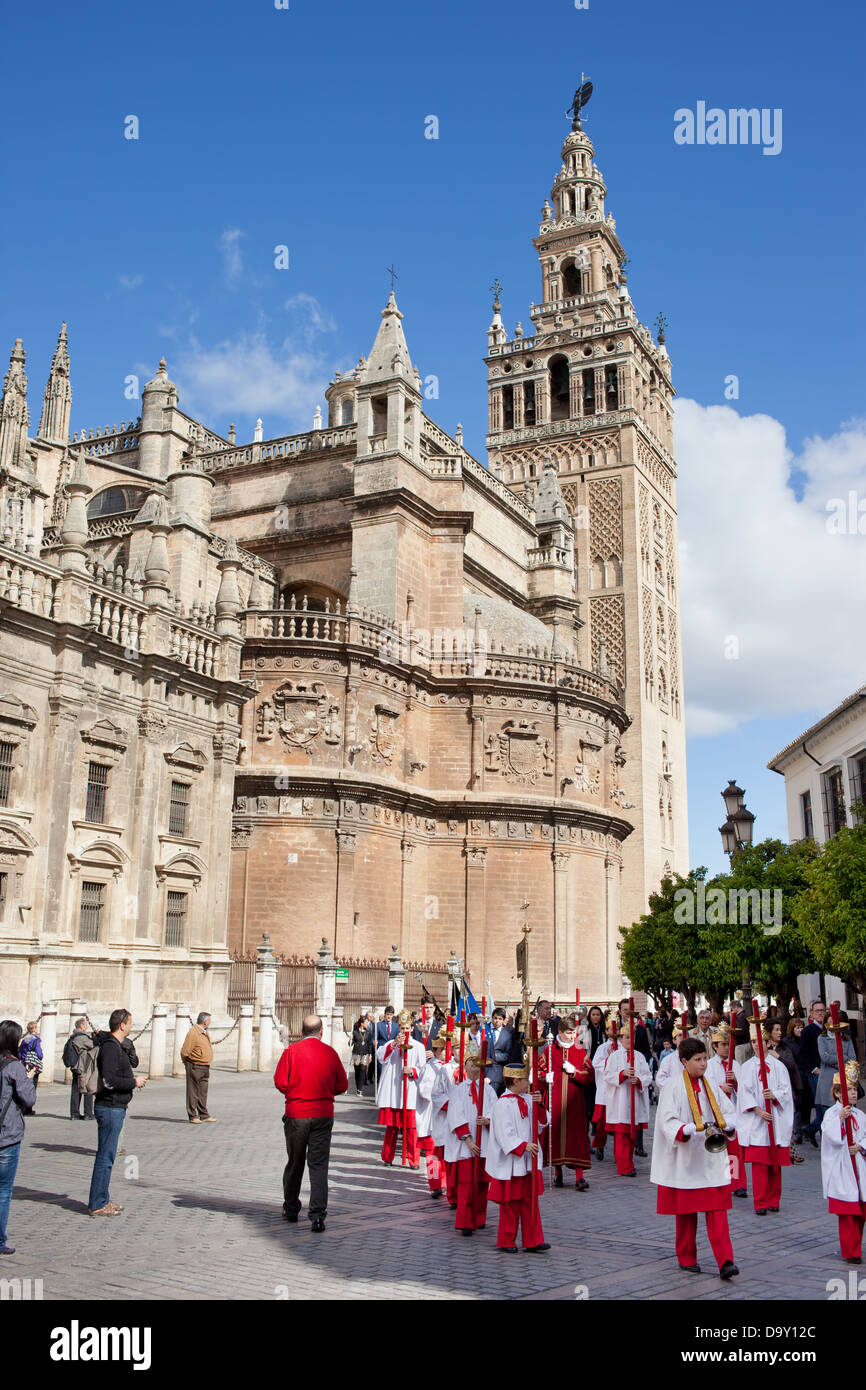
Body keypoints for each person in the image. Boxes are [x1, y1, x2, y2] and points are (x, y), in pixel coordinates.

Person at [650, 1037, 739, 1280]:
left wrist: (729, 1124)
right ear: (684, 1062)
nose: (703, 1065)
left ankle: (726, 1260)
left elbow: (729, 1111)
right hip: (687, 1159)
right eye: (697, 1060)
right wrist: (685, 1129)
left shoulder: (711, 1085)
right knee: (686, 1213)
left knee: (718, 1211)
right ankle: (687, 1256)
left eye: (704, 1059)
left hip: (711, 1159)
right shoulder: (673, 1087)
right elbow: (666, 1119)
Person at [273, 1013, 348, 1233]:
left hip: (297, 1113)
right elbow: (342, 1085)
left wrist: (295, 1092)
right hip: (323, 1114)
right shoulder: (330, 1053)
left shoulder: (291, 1052)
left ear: (302, 1031)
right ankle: (317, 1216)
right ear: (321, 1032)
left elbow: (280, 1081)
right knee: (318, 1165)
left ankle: (291, 1207)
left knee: (295, 1162)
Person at [485, 1061, 550, 1253]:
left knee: (531, 1202)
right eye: (525, 1080)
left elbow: (542, 1124)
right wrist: (522, 1146)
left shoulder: (529, 1099)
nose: (528, 1083)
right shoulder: (502, 1104)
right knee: (510, 1203)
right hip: (513, 1160)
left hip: (529, 1160)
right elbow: (504, 1133)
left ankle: (533, 1240)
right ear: (515, 1080)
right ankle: (506, 1240)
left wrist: (539, 1106)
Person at [88, 1009, 147, 1217]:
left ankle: (102, 1198)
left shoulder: (117, 1046)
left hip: (116, 1107)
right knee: (105, 1156)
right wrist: (134, 1082)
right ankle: (97, 1202)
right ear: (122, 1025)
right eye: (129, 1023)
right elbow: (109, 1080)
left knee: (109, 1156)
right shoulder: (111, 1048)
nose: (131, 1027)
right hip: (109, 1107)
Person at [738, 1015, 793, 1215]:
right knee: (760, 1165)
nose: (755, 1045)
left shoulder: (778, 1067)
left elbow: (786, 1091)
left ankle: (773, 1199)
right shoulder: (747, 1067)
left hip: (775, 1120)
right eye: (752, 1041)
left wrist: (775, 1095)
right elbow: (744, 1093)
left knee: (775, 1164)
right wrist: (759, 1110)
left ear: (768, 1042)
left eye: (759, 1041)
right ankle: (760, 1201)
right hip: (758, 1121)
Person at [538, 1013, 591, 1190]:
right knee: (556, 1136)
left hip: (575, 1102)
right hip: (555, 1100)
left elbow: (590, 1076)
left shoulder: (580, 1051)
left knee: (576, 1137)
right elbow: (539, 1072)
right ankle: (558, 1173)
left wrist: (574, 1071)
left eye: (574, 1032)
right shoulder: (550, 1050)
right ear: (560, 1032)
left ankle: (579, 1177)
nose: (572, 1036)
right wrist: (546, 1077)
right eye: (568, 1032)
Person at [820, 1060, 866, 1264]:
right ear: (838, 1093)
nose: (853, 1093)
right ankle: (851, 1251)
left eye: (855, 1089)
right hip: (842, 1167)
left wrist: (861, 1146)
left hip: (859, 1165)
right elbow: (830, 1136)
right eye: (848, 1089)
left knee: (860, 1212)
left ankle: (856, 1244)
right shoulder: (831, 1114)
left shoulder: (861, 1115)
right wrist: (840, 1118)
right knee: (847, 1213)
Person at [446, 1052, 496, 1235]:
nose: (474, 1066)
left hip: (483, 1143)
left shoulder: (488, 1090)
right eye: (470, 1063)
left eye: (477, 1063)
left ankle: (479, 1217)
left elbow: (495, 1110)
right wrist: (467, 1139)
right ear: (465, 1068)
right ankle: (465, 1221)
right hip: (466, 1145)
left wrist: (488, 1120)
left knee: (482, 1183)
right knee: (466, 1183)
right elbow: (455, 1115)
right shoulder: (459, 1090)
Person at [0, 1020, 38, 1254]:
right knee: (3, 1190)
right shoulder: (14, 1067)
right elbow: (29, 1099)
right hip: (7, 1135)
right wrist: (29, 1077)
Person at [376, 1009, 426, 1167]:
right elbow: (381, 1057)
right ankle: (387, 1157)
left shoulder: (418, 1047)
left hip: (409, 1090)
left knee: (411, 1128)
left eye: (407, 1028)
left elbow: (423, 1069)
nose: (405, 1031)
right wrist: (394, 1044)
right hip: (394, 1091)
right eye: (402, 1028)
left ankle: (413, 1160)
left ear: (412, 1028)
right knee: (392, 1127)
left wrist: (412, 1071)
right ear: (398, 1028)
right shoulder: (392, 1044)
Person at [705, 1024, 748, 1199]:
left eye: (727, 1044)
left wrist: (736, 1082)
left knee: (735, 1150)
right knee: (719, 1148)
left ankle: (737, 1182)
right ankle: (721, 1181)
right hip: (717, 1113)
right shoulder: (709, 1066)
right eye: (722, 1044)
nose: (725, 1047)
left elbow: (745, 1089)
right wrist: (720, 1088)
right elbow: (707, 1088)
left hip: (734, 1112)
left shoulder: (736, 1065)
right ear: (715, 1046)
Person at [603, 1023, 651, 1176]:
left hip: (635, 1100)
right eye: (627, 1037)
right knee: (622, 1135)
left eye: (633, 1037)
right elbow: (608, 1076)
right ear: (621, 1038)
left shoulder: (640, 1056)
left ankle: (629, 1162)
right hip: (620, 1101)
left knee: (632, 1135)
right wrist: (622, 1074)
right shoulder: (615, 1056)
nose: (630, 1040)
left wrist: (639, 1080)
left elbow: (648, 1075)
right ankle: (623, 1166)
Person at [416, 1032, 448, 1198]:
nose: (444, 1052)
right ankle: (435, 1183)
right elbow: (424, 1090)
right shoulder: (430, 1067)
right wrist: (442, 1099)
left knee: (445, 1152)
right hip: (432, 1116)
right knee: (433, 1154)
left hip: (446, 1117)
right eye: (441, 1050)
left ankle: (445, 1181)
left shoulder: (450, 1066)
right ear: (435, 1051)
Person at [767, 1019, 803, 1163]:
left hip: (785, 1089)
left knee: (788, 1120)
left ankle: (791, 1152)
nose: (779, 1033)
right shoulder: (764, 1047)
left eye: (780, 1030)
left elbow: (792, 1065)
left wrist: (778, 1057)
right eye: (776, 1030)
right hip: (769, 1090)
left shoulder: (784, 1047)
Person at [816, 1013, 855, 1139]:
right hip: (827, 1078)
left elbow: (852, 1059)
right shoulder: (822, 1039)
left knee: (846, 1108)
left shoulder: (847, 1039)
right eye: (830, 1021)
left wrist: (841, 1060)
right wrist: (843, 1057)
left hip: (844, 1077)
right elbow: (824, 1057)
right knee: (828, 1110)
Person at [590, 1015, 619, 1160]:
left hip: (619, 1089)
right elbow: (596, 1065)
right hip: (605, 1089)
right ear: (606, 1031)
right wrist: (609, 1059)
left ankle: (618, 1152)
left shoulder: (623, 1046)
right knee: (602, 1122)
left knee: (619, 1123)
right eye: (610, 1029)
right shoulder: (602, 1047)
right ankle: (599, 1145)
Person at [180, 1012, 216, 1123]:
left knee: (203, 1092)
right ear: (205, 1021)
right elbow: (185, 1051)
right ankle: (192, 1115)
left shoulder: (204, 1032)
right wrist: (188, 1064)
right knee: (193, 1091)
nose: (210, 1022)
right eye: (209, 1020)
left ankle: (204, 1114)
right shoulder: (193, 1033)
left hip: (205, 1066)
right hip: (195, 1065)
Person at [62, 1016, 98, 1121]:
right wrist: (97, 1035)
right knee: (87, 1088)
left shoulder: (73, 1036)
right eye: (85, 1025)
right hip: (82, 1067)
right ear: (82, 1026)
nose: (86, 1027)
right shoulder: (81, 1037)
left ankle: (74, 1113)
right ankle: (88, 1113)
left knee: (76, 1090)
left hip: (76, 1066)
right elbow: (93, 1044)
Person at [801, 1000, 826, 1144]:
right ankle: (819, 1131)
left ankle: (810, 1129)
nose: (820, 1013)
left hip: (829, 1072)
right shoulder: (808, 1031)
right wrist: (813, 1069)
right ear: (812, 1013)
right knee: (821, 1105)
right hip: (816, 1073)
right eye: (817, 1011)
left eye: (822, 1010)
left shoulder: (827, 1029)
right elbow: (802, 1054)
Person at [787, 1017, 814, 1144]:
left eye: (802, 1027)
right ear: (792, 1029)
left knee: (807, 1105)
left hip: (806, 1076)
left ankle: (806, 1128)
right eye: (797, 1027)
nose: (800, 1030)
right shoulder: (788, 1042)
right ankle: (797, 1131)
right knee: (798, 1105)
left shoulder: (805, 1040)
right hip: (796, 1077)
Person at [488, 1009, 513, 1096]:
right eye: (495, 1018)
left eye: (499, 1019)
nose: (497, 1021)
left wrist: (496, 1056)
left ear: (503, 1021)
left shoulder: (507, 1034)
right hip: (483, 1068)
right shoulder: (484, 1029)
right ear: (492, 1018)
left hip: (496, 1071)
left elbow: (507, 1055)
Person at [18, 1022, 43, 1095]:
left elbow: (20, 1052)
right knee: (33, 1084)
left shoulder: (24, 1040)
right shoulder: (36, 1040)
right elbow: (39, 1054)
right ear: (34, 1029)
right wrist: (40, 1057)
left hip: (25, 1063)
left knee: (25, 1082)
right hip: (33, 1064)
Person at [350, 1014, 372, 1096]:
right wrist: (350, 1039)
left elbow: (369, 1044)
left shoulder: (368, 1033)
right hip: (356, 1053)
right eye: (366, 1022)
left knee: (363, 1070)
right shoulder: (355, 1032)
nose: (367, 1024)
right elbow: (350, 1044)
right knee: (357, 1071)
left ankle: (360, 1089)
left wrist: (370, 1054)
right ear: (362, 1023)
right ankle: (358, 1087)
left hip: (365, 1053)